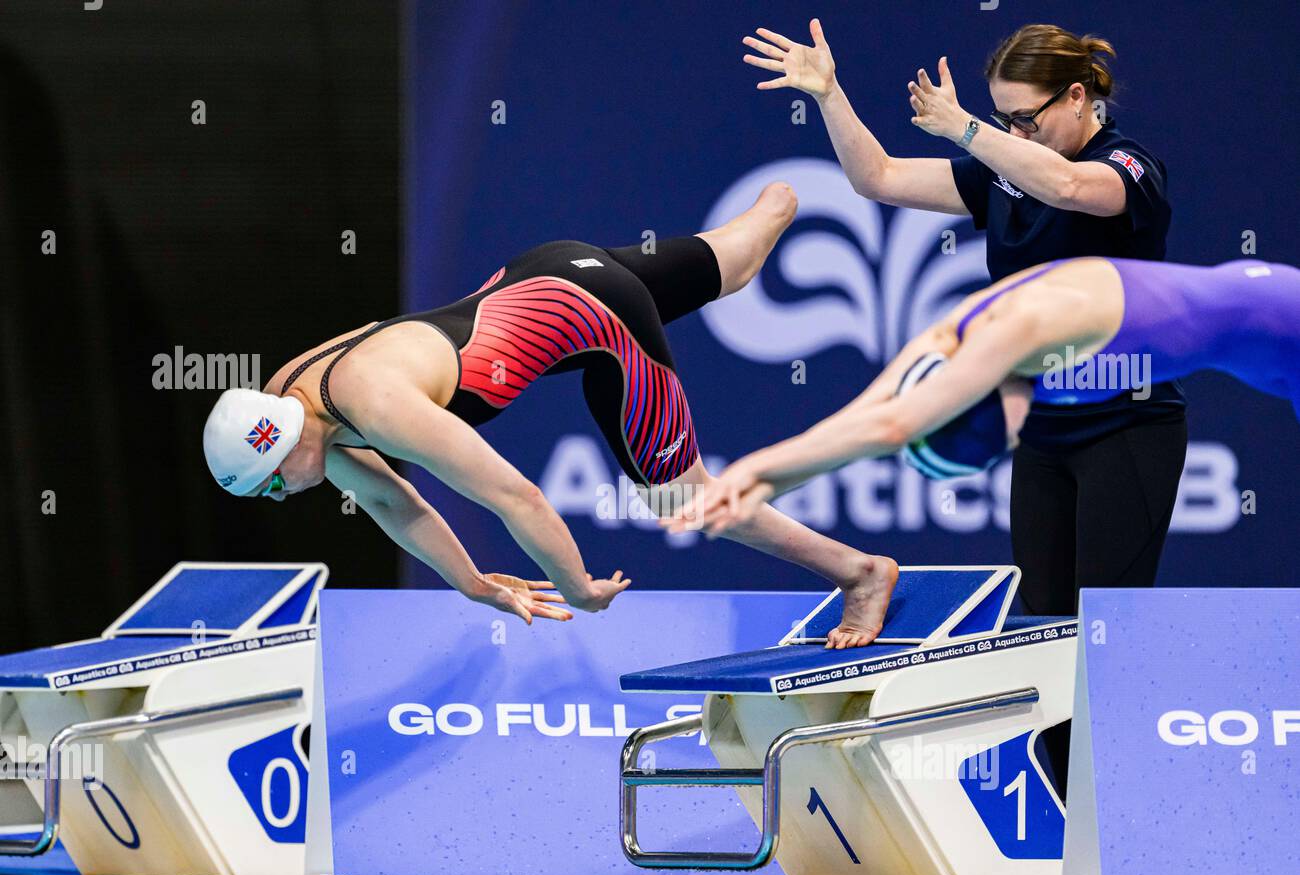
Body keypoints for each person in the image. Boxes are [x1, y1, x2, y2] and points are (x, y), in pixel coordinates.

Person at [202, 185, 898, 647]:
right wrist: (474, 583)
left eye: (269, 483)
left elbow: (515, 495)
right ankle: (781, 200)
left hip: (596, 320)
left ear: (280, 447)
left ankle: (857, 571)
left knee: (681, 496)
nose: (278, 496)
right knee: (737, 268)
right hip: (552, 270)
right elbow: (392, 499)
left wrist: (578, 587)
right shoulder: (290, 396)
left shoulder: (380, 406)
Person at [742, 20, 1184, 614]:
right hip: (1043, 426)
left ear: (1078, 96)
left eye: (1028, 118)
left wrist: (966, 128)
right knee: (1047, 622)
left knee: (1107, 622)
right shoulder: (1008, 170)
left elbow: (1071, 187)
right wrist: (829, 95)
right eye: (1006, 119)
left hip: (1126, 425)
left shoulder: (1130, 165)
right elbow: (878, 177)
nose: (1017, 133)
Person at [679, 256, 1300, 536]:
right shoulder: (948, 341)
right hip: (1258, 355)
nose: (1021, 430)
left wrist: (754, 465)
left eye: (1007, 436)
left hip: (1285, 322)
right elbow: (867, 416)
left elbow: (893, 430)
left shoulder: (1024, 329)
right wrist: (762, 488)